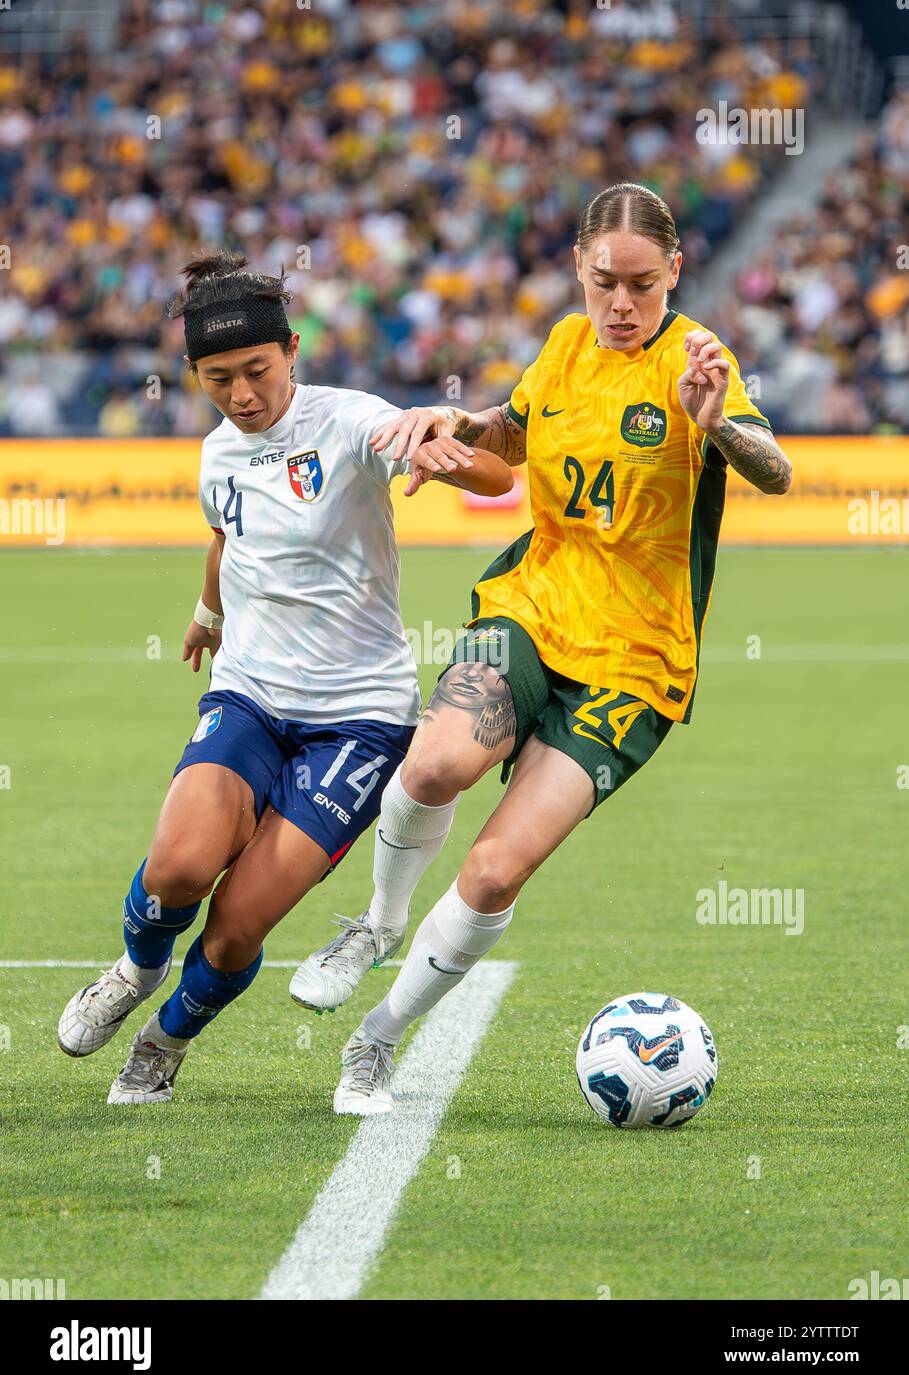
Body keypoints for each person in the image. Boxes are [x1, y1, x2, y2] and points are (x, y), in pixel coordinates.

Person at [289, 182, 793, 1114]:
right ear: (577, 268)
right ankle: (374, 923)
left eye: (642, 284)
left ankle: (378, 1038)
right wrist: (451, 425)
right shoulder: (564, 344)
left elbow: (778, 472)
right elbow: (513, 437)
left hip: (634, 664)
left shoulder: (697, 364)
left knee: (491, 871)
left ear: (674, 273)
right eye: (605, 282)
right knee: (436, 760)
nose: (621, 304)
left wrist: (715, 420)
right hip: (536, 604)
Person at [56, 250, 512, 1104]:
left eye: (257, 371)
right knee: (178, 870)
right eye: (218, 378)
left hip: (361, 720)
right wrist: (208, 616)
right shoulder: (216, 456)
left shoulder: (353, 424)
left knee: (233, 932)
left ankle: (163, 1043)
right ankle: (132, 971)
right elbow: (228, 540)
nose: (242, 394)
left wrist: (451, 446)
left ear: (292, 351)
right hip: (251, 695)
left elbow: (497, 476)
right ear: (194, 374)